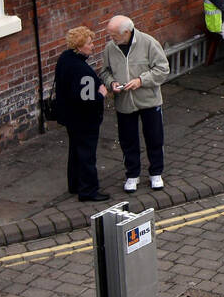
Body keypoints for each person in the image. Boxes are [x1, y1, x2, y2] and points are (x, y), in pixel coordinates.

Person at [101, 15, 170, 193]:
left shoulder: (148, 43)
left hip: (149, 100)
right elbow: (105, 71)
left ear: (127, 32)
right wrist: (111, 84)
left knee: (154, 138)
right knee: (127, 140)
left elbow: (163, 69)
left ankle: (156, 173)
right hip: (124, 102)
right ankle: (132, 175)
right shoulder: (110, 48)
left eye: (114, 35)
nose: (111, 39)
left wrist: (141, 80)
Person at [55, 26, 109, 202]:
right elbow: (88, 100)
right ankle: (88, 190)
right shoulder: (81, 69)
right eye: (89, 43)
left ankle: (75, 184)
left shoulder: (65, 59)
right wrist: (101, 93)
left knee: (75, 151)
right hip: (85, 120)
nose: (92, 46)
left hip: (70, 117)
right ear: (79, 47)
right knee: (87, 154)